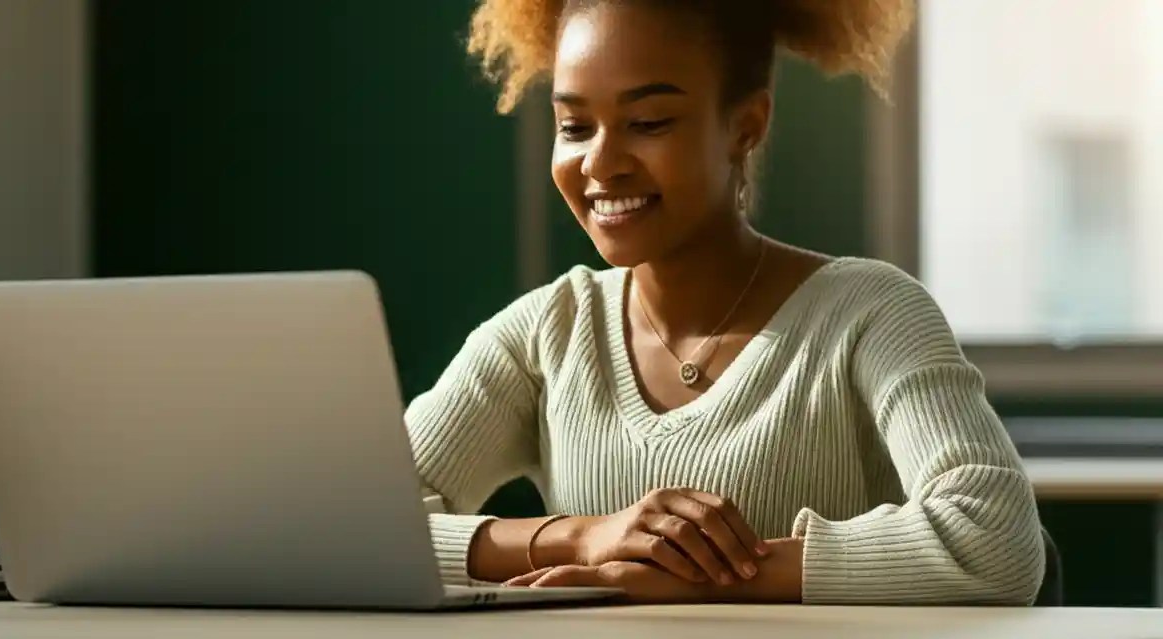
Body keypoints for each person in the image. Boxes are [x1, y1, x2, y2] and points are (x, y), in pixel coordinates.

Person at [405, 0, 1045, 604]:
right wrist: (581, 537)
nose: (600, 162)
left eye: (648, 123)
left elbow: (997, 539)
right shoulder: (546, 333)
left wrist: (699, 578)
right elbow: (358, 527)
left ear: (745, 126)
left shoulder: (872, 314)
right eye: (574, 126)